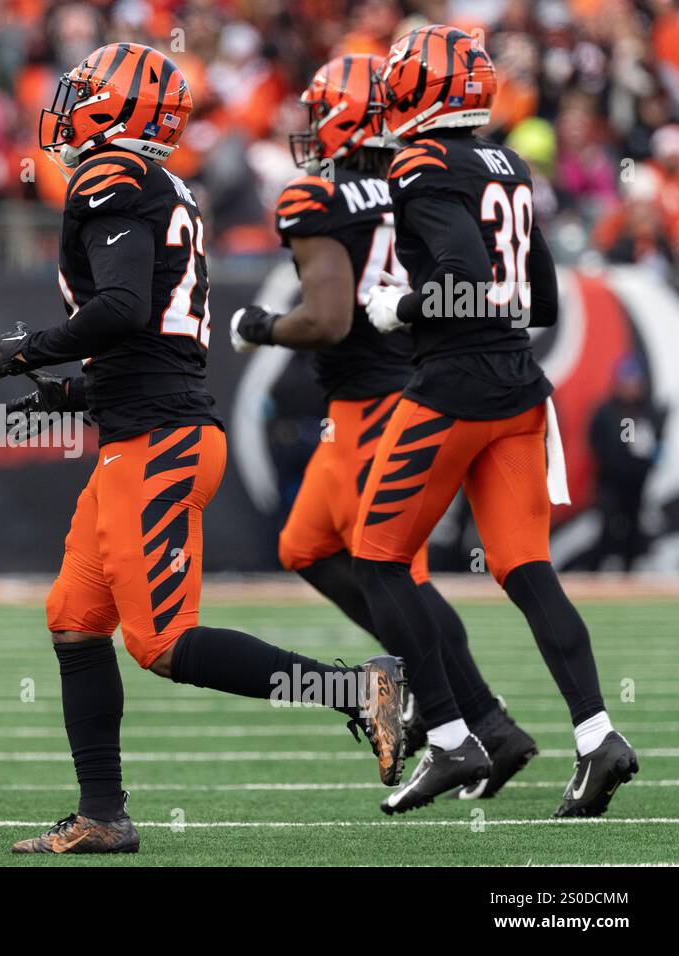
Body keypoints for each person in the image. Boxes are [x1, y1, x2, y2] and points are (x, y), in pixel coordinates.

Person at [0, 42, 405, 856]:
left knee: (161, 643)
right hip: (143, 432)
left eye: (86, 95)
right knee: (75, 621)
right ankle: (103, 815)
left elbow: (117, 308)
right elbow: (154, 339)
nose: (70, 108)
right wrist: (75, 393)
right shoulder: (158, 185)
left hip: (161, 444)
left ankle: (356, 688)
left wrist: (31, 348)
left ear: (119, 110)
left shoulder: (114, 178)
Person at [230, 54, 536, 797]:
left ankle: (482, 724)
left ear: (346, 117)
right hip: (383, 395)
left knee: (397, 572)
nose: (309, 127)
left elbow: (330, 321)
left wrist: (261, 325)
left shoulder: (322, 196)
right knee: (305, 545)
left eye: (320, 111)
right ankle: (444, 702)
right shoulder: (417, 178)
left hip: (378, 406)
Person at [355, 25, 636, 817]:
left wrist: (397, 307)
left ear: (423, 93)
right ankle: (596, 738)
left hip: (455, 389)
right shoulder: (507, 161)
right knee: (524, 567)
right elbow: (540, 299)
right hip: (517, 384)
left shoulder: (421, 163)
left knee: (377, 559)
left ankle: (450, 738)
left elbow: (463, 279)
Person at [581, 355, 664, 571]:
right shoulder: (606, 412)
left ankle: (629, 576)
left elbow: (657, 445)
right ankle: (595, 575)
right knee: (606, 531)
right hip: (610, 485)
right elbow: (595, 442)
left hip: (637, 487)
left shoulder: (649, 413)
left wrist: (647, 463)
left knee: (634, 535)